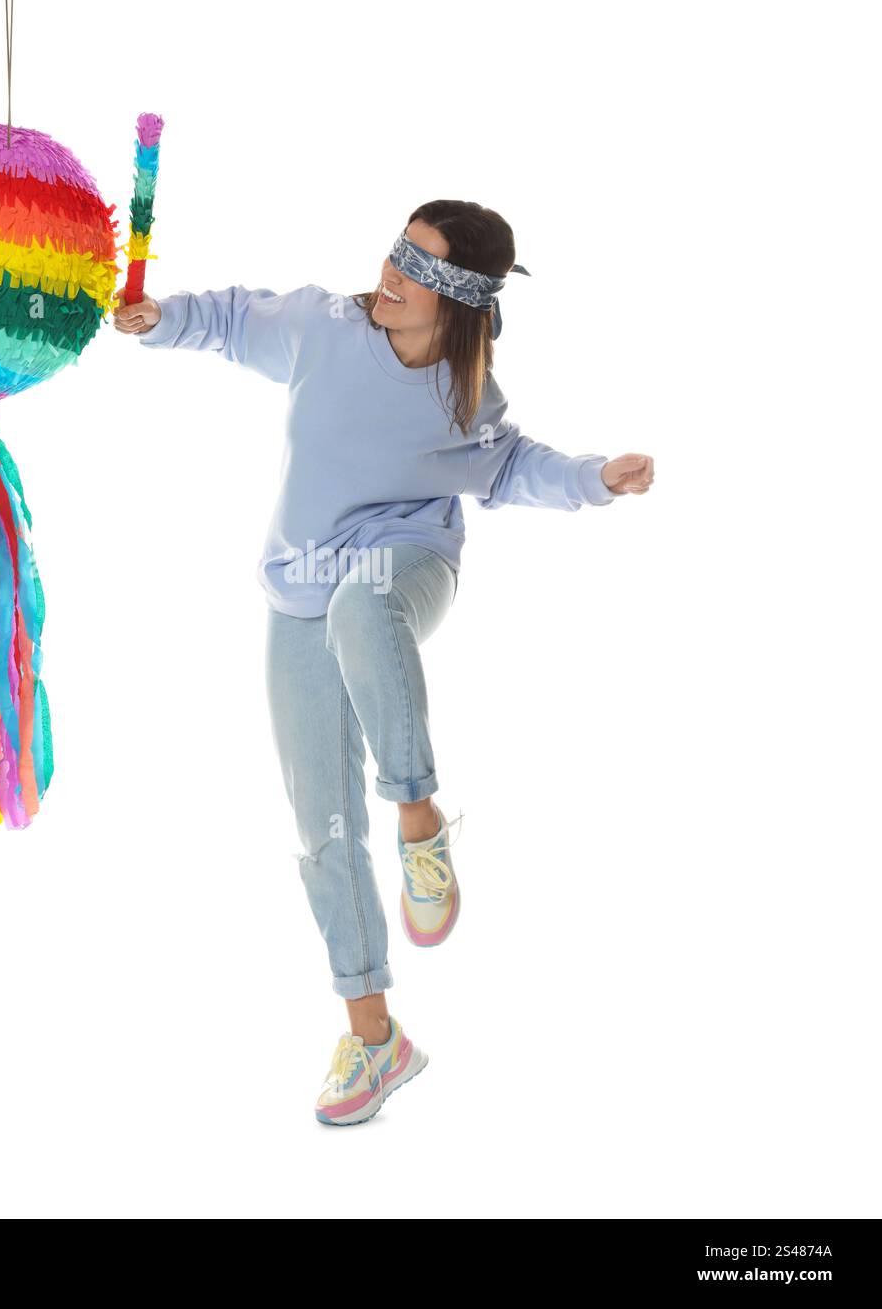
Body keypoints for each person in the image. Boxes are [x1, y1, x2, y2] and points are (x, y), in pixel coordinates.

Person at [113, 200, 654, 1126]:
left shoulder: (461, 392)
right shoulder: (325, 331)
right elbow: (236, 318)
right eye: (397, 250)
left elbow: (510, 465)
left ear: (458, 300)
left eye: (420, 265)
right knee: (319, 824)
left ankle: (418, 821)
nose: (392, 273)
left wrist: (591, 479)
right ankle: (375, 1042)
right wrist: (160, 320)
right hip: (297, 585)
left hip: (407, 563)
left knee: (365, 604)